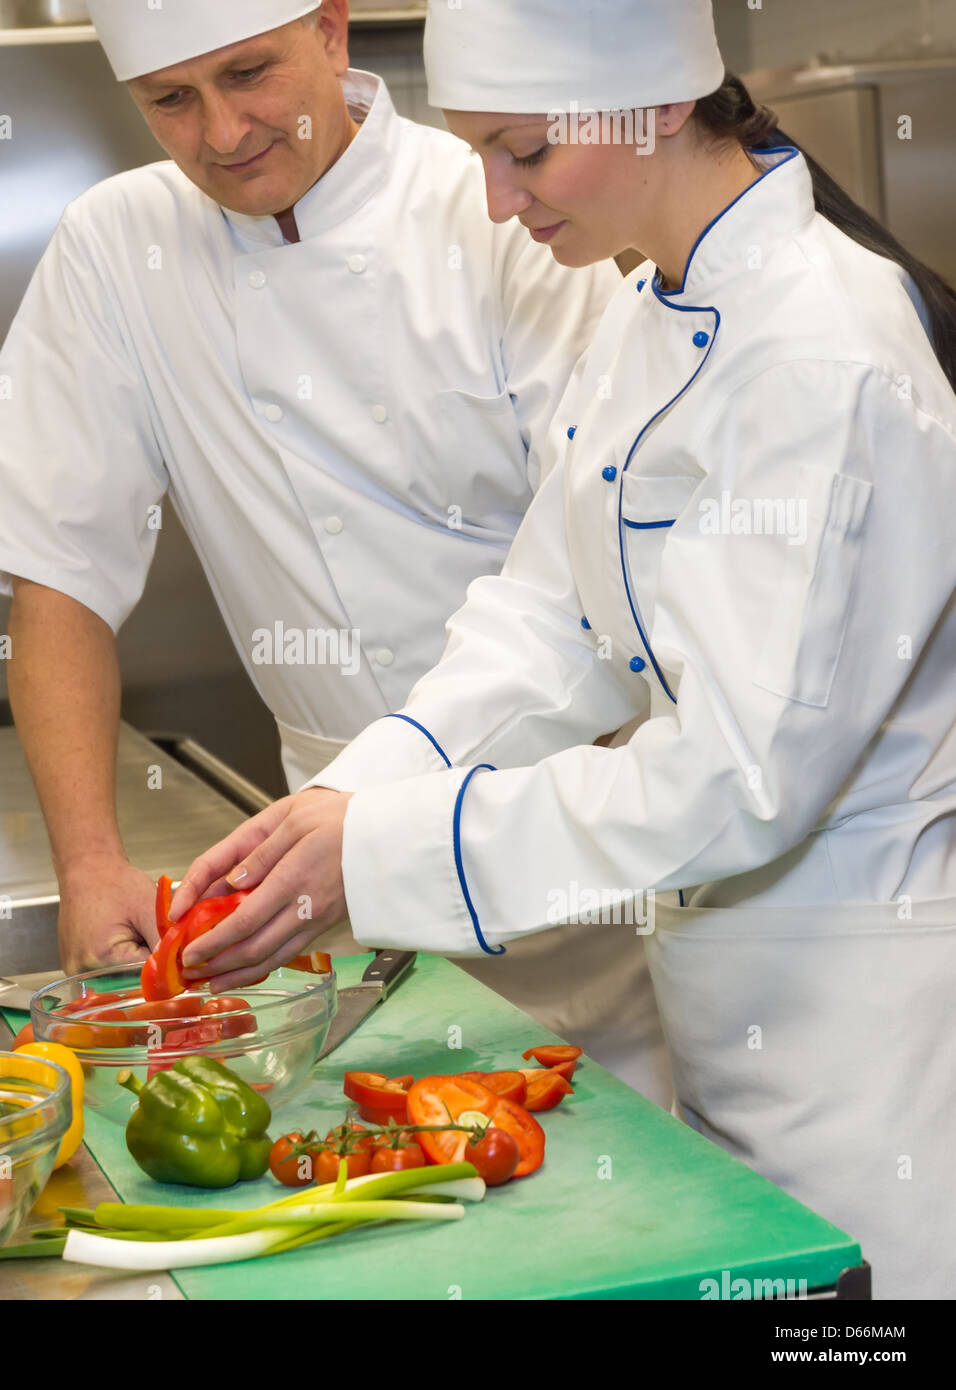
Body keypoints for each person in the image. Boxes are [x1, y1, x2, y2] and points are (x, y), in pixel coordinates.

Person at [171, 0, 956, 1298]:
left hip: (873, 1093)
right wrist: (355, 794)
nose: (494, 203)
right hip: (729, 1050)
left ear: (648, 109)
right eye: (476, 150)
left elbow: (732, 781)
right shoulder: (654, 305)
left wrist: (385, 852)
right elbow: (551, 618)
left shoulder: (829, 360)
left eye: (522, 151)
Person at [0, 1, 671, 1103]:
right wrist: (88, 864)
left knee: (621, 1184)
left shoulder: (502, 205)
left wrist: (423, 827)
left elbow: (593, 570)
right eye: (171, 100)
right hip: (319, 895)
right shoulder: (112, 245)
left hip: (564, 848)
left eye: (248, 74)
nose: (222, 133)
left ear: (330, 32)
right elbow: (57, 576)